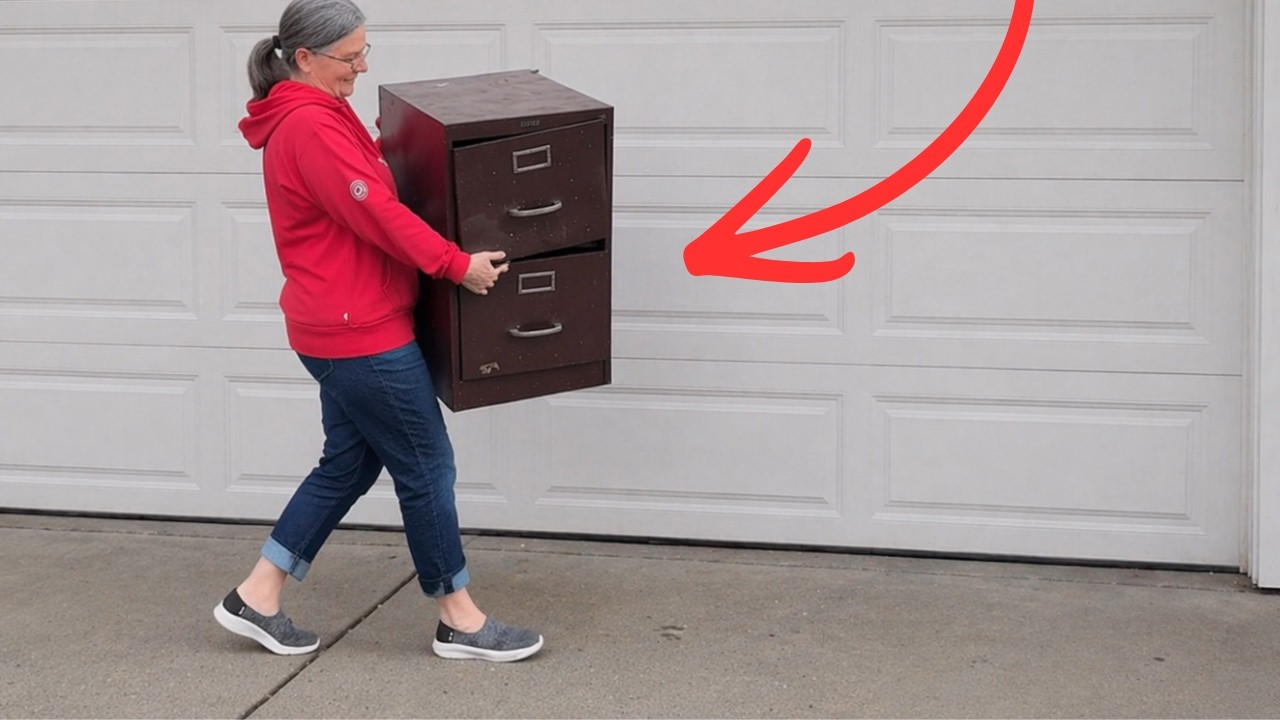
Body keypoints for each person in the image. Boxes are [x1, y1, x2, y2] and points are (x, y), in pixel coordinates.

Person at [213, 0, 542, 663]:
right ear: (304, 58)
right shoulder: (310, 127)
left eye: (366, 51)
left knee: (347, 465)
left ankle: (258, 593)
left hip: (338, 323)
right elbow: (380, 215)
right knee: (426, 467)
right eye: (350, 56)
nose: (362, 67)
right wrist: (456, 266)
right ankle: (459, 618)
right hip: (357, 331)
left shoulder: (321, 115)